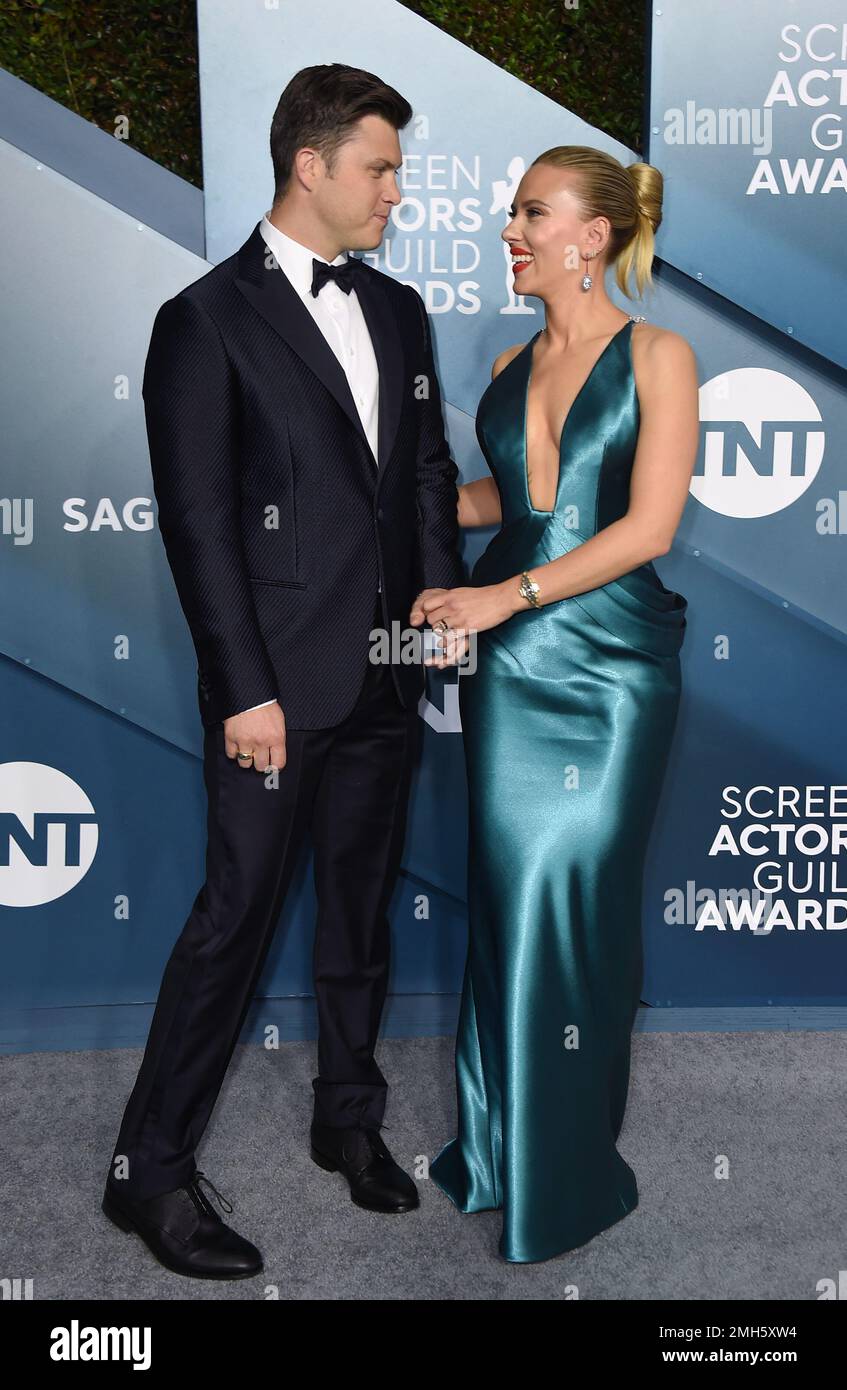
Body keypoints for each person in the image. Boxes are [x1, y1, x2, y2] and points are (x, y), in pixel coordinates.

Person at [102, 63, 465, 1280]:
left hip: (381, 674)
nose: (395, 191)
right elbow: (199, 528)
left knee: (359, 912)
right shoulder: (203, 323)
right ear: (311, 166)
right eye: (381, 167)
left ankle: (346, 1121)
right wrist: (244, 690)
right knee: (233, 925)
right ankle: (148, 1173)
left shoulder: (401, 310)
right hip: (271, 693)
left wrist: (430, 623)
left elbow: (419, 480)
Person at [413, 146, 698, 1263]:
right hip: (511, 668)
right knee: (505, 899)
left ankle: (563, 1167)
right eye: (511, 210)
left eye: (533, 211)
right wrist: (404, 515)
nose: (511, 229)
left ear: (592, 237)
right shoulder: (506, 359)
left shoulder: (660, 356)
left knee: (566, 901)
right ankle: (494, 1142)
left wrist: (501, 597)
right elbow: (509, 502)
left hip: (610, 668)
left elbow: (644, 528)